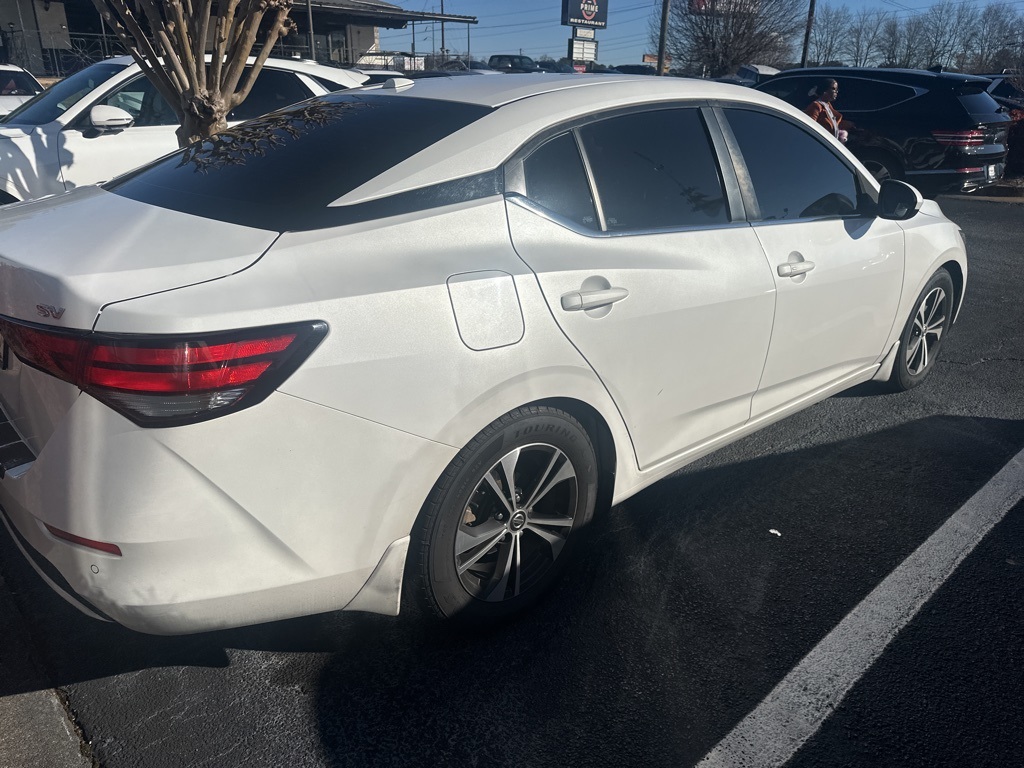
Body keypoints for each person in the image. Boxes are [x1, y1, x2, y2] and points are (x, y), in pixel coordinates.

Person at [804, 78, 849, 143]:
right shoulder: (816, 106)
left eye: (837, 89)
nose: (836, 92)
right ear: (825, 91)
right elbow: (809, 128)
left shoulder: (828, 106)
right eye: (833, 89)